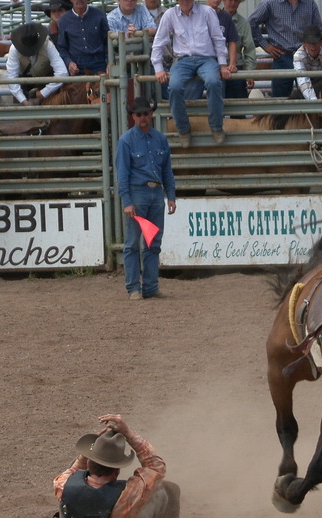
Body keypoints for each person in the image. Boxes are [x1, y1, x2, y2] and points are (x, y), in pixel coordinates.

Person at [53, 414, 181, 518]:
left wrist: (91, 451)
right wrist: (129, 434)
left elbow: (74, 470)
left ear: (89, 463)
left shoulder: (62, 483)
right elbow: (156, 467)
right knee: (162, 490)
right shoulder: (127, 495)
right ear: (117, 470)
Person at [116, 97, 177, 300]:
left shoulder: (160, 139)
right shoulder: (126, 141)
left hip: (154, 193)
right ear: (134, 116)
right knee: (133, 243)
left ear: (151, 114)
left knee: (153, 243)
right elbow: (122, 175)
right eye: (139, 114)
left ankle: (149, 287)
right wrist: (127, 201)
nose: (143, 117)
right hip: (138, 193)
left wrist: (171, 196)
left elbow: (167, 170)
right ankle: (134, 288)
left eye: (146, 113)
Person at [151, 0, 229, 147]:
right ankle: (183, 129)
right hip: (182, 60)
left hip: (206, 58)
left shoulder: (207, 12)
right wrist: (158, 68)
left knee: (213, 82)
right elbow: (159, 41)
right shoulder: (170, 15)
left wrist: (222, 64)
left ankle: (216, 126)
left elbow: (218, 38)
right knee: (174, 87)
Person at [248, 0, 322, 98]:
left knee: (311, 95)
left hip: (305, 56)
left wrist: (312, 47)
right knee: (280, 98)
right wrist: (265, 45)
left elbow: (318, 28)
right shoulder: (270, 3)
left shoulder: (310, 3)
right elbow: (251, 22)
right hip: (282, 56)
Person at [5, 22, 68, 106]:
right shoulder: (14, 49)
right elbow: (11, 77)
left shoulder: (48, 45)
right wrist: (22, 99)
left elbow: (62, 73)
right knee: (21, 116)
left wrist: (44, 92)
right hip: (24, 84)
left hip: (46, 81)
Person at [56, 0, 110, 75]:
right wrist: (69, 62)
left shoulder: (100, 15)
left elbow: (107, 42)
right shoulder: (64, 20)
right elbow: (62, 47)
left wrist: (109, 62)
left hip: (99, 65)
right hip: (77, 68)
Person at [292, 25, 322, 100]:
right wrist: (314, 100)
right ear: (304, 43)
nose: (313, 46)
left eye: (315, 42)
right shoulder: (298, 56)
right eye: (309, 43)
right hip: (308, 88)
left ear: (320, 42)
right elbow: (303, 81)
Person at [223, 0, 257, 99]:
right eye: (230, 0)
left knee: (238, 103)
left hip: (236, 68)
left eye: (236, 0)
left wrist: (249, 73)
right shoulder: (213, 18)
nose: (233, 3)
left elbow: (249, 49)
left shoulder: (243, 23)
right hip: (216, 67)